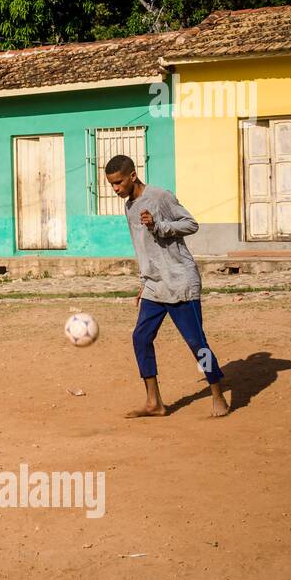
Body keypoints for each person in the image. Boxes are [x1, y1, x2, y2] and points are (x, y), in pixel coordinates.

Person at [105, 154, 229, 419]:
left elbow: (191, 224)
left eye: (118, 183)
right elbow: (142, 248)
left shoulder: (160, 197)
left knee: (197, 343)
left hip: (180, 281)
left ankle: (218, 396)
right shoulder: (129, 207)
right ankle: (154, 403)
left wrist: (159, 225)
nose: (115, 189)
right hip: (154, 285)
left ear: (132, 176)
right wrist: (143, 281)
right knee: (140, 337)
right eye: (111, 184)